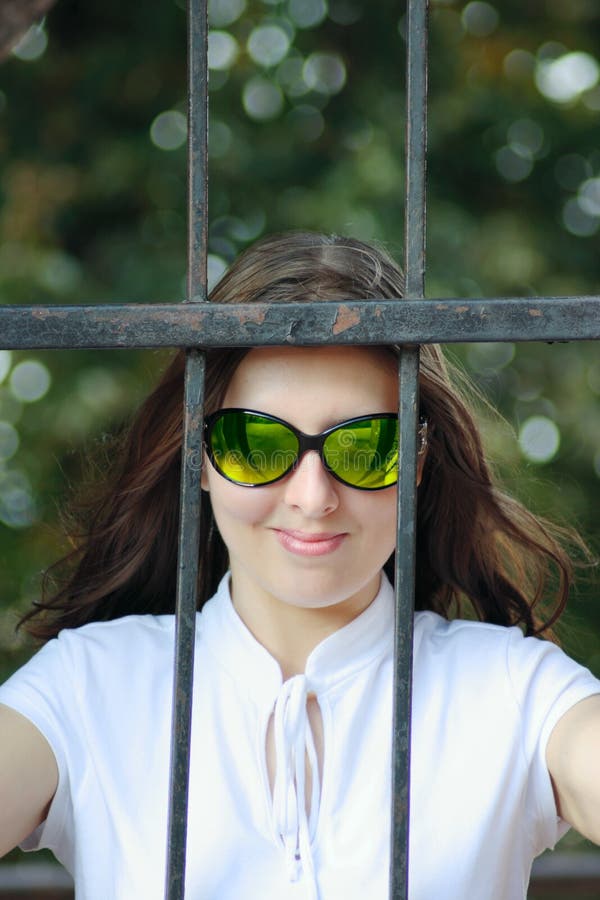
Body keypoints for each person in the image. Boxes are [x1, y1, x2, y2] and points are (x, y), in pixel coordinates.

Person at [0, 231, 599, 900]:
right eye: (256, 444)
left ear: (419, 461)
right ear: (201, 455)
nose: (313, 498)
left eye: (366, 448)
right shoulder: (90, 686)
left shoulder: (513, 692)